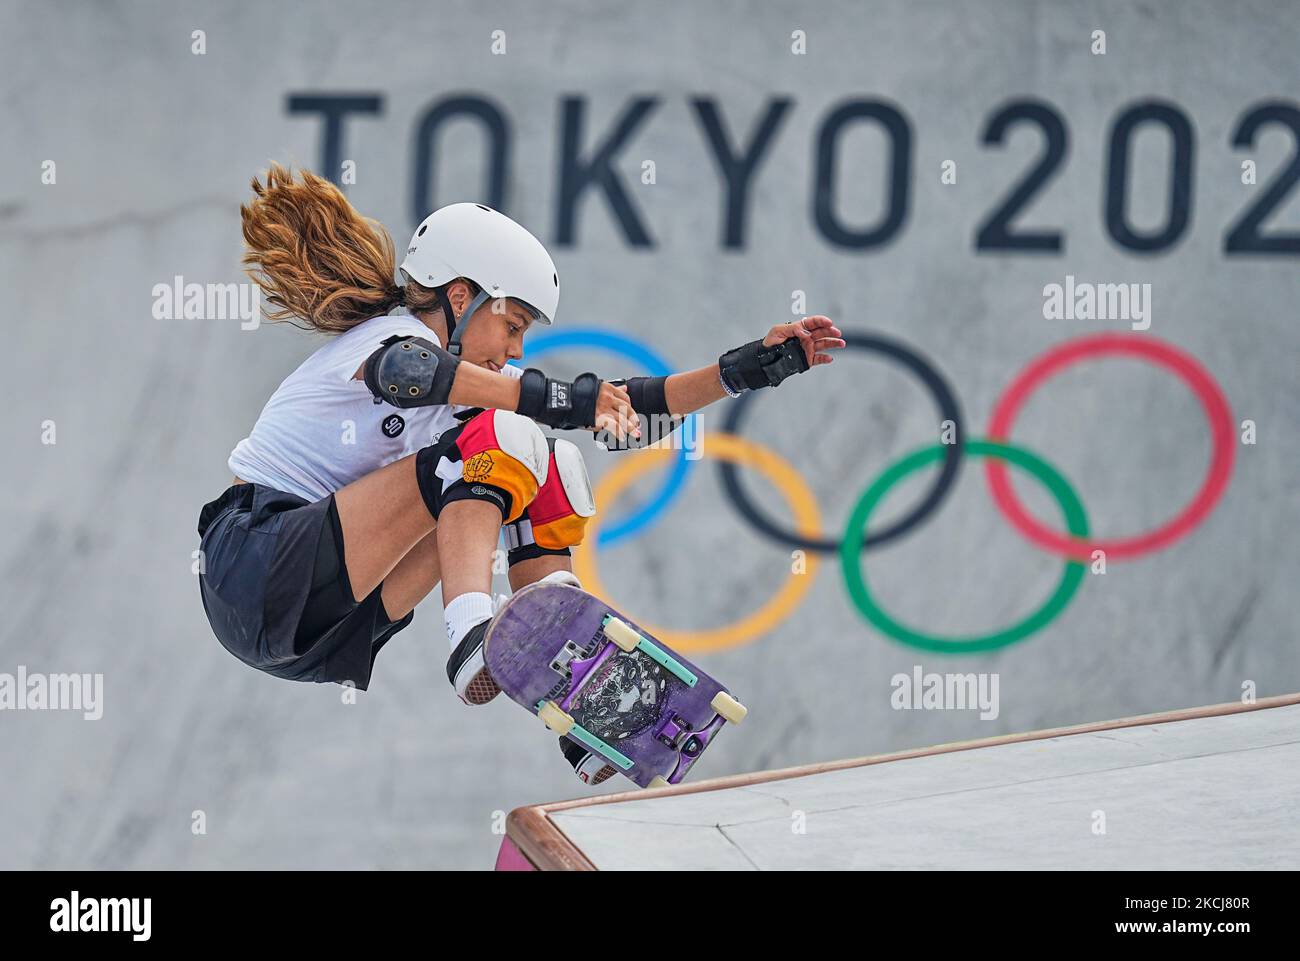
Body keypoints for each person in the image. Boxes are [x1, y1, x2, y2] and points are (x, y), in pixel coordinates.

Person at [196, 164, 843, 781]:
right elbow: (411, 376)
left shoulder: (476, 381)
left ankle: (581, 703)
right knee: (505, 436)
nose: (516, 349)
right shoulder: (380, 344)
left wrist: (744, 371)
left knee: (550, 463)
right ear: (459, 297)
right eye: (511, 324)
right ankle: (471, 632)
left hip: (329, 630)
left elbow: (633, 411)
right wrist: (555, 398)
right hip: (255, 561)